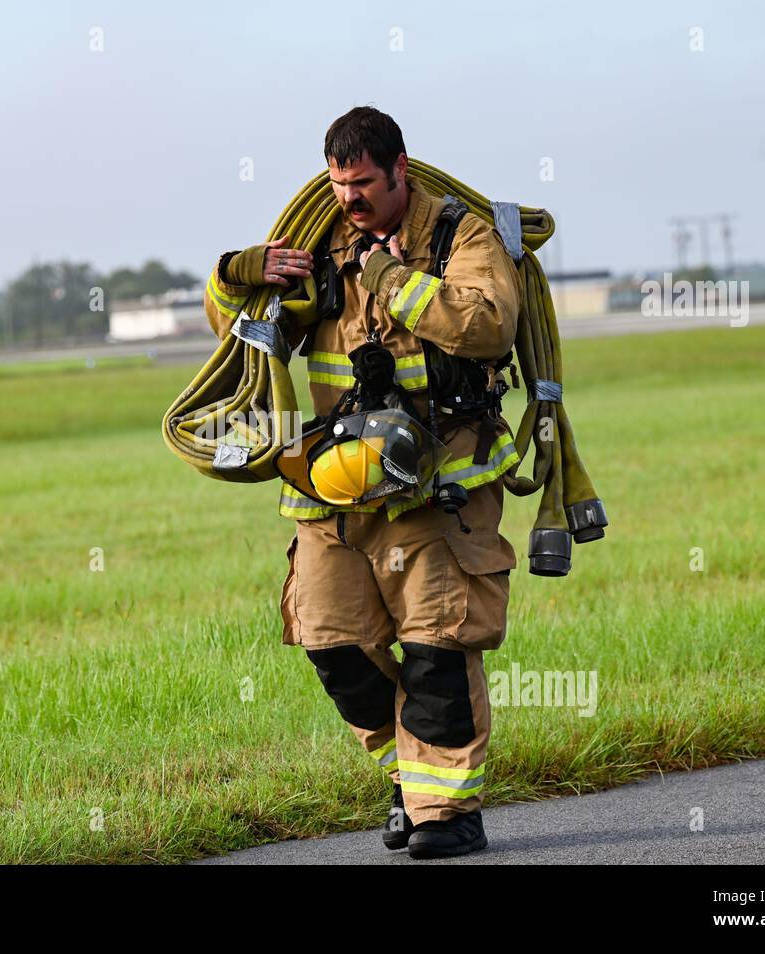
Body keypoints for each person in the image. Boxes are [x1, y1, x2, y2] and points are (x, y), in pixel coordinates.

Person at [202, 106, 523, 859]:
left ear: (400, 170)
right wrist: (233, 277)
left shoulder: (459, 236)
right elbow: (246, 337)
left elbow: (488, 327)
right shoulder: (317, 241)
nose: (349, 200)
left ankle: (447, 817)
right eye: (338, 185)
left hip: (437, 486)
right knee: (332, 643)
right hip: (334, 491)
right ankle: (408, 784)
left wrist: (390, 277)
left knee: (437, 648)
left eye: (364, 185)